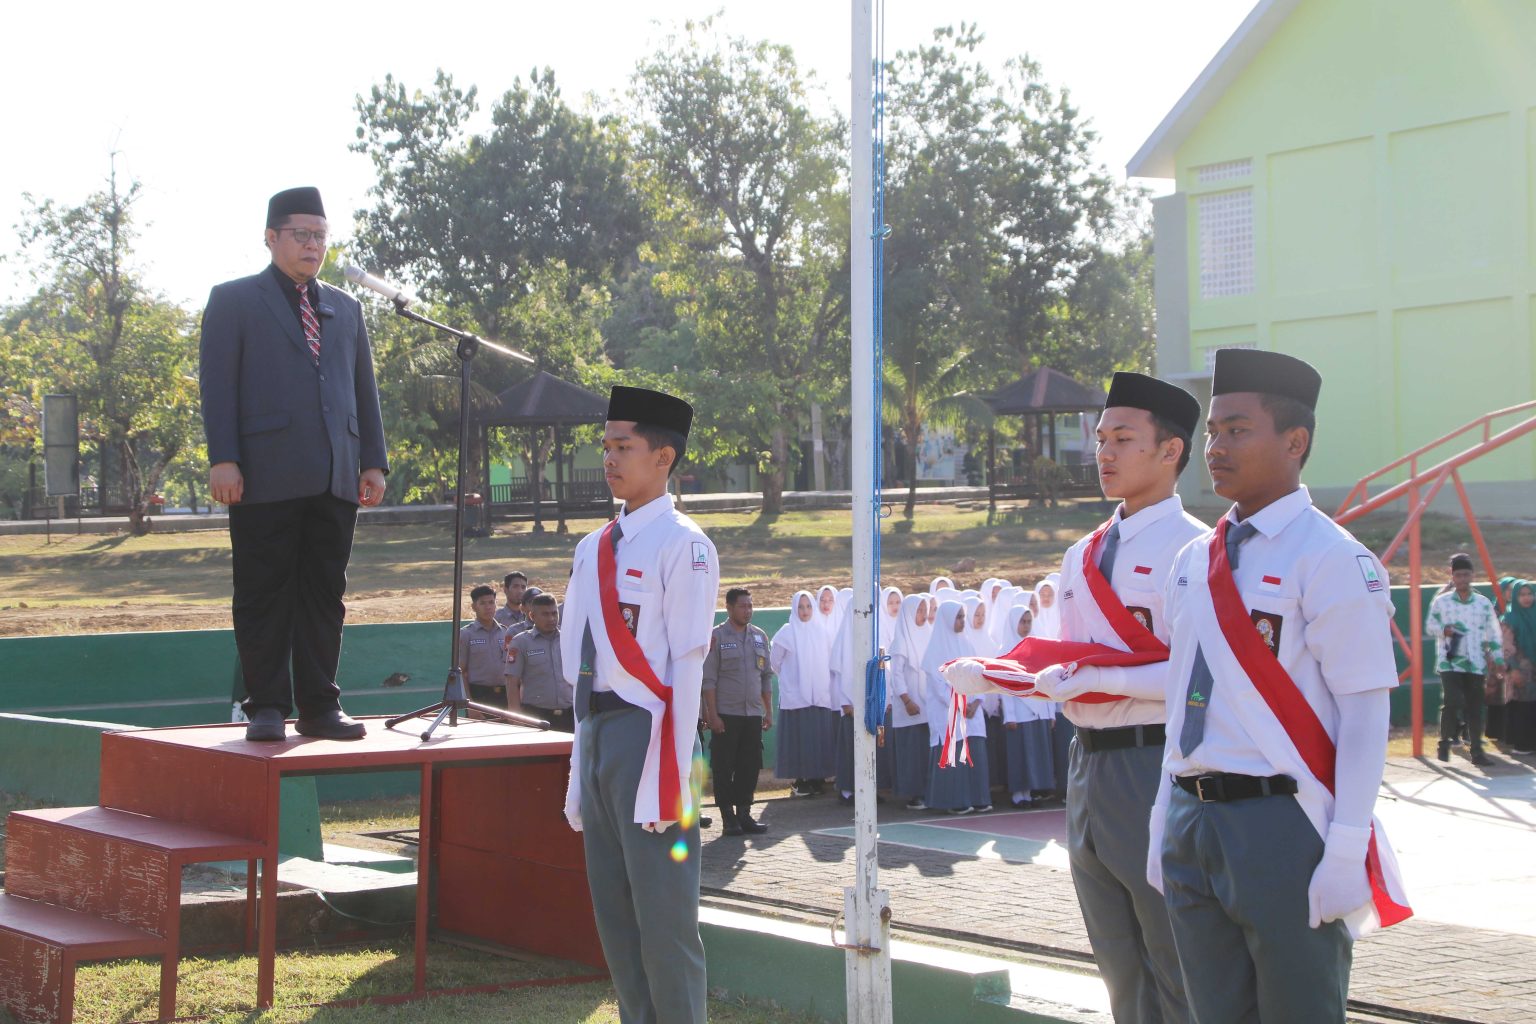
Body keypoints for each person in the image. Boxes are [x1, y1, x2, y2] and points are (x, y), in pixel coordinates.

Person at [1153, 348, 1410, 1024]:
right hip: (1191, 817)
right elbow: (1184, 698)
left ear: (1294, 442)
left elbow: (1363, 712)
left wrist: (1348, 845)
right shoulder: (1190, 561)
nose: (1215, 447)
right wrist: (1162, 815)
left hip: (1282, 825)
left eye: (1237, 429)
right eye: (1212, 430)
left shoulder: (1332, 560)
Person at [200, 186, 386, 742]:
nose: (312, 245)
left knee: (324, 594)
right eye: (301, 235)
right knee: (263, 591)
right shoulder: (234, 300)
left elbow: (362, 389)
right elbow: (218, 387)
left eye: (321, 236)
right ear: (271, 237)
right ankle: (265, 707)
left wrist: (372, 460)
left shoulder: (346, 307)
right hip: (262, 475)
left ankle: (320, 706)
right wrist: (224, 459)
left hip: (334, 473)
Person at [560, 386, 718, 1024]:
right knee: (617, 920)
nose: (610, 459)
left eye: (624, 447)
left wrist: (670, 779)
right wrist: (579, 765)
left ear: (664, 456)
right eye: (607, 447)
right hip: (599, 734)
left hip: (657, 741)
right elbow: (580, 667)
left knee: (666, 921)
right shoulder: (594, 547)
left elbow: (686, 668)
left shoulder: (686, 545)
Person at [701, 587, 775, 835]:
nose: (748, 611)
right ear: (729, 608)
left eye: (750, 606)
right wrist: (712, 714)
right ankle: (728, 817)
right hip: (726, 715)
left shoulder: (759, 637)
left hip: (752, 714)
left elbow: (765, 677)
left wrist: (768, 711)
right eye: (743, 606)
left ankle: (744, 813)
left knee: (749, 766)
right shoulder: (717, 637)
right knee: (724, 767)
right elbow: (708, 680)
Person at [1426, 553, 1505, 767]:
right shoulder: (1442, 601)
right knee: (1453, 700)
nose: (1462, 579)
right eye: (1458, 575)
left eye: (1466, 575)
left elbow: (1493, 631)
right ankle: (1445, 741)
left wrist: (1497, 656)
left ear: (1472, 576)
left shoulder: (1482, 603)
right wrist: (1446, 631)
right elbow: (1431, 627)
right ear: (1452, 576)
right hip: (1450, 660)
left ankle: (1477, 751)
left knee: (1475, 706)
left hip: (1476, 661)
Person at [771, 591, 836, 798]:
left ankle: (817, 778)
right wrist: (793, 679)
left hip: (819, 695)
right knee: (799, 739)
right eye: (801, 607)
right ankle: (801, 781)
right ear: (794, 608)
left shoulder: (821, 631)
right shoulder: (786, 632)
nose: (805, 611)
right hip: (796, 697)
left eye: (808, 606)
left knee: (818, 737)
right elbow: (775, 663)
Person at [888, 594, 933, 810]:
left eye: (925, 610)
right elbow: (896, 675)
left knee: (926, 751)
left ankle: (928, 790)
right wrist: (906, 700)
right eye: (919, 611)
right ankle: (914, 794)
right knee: (912, 752)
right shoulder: (900, 640)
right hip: (910, 707)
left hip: (928, 703)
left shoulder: (929, 634)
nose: (923, 615)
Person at [506, 591, 570, 731]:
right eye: (545, 614)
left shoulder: (569, 639)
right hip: (536, 715)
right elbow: (512, 682)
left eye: (554, 613)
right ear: (532, 616)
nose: (551, 618)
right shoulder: (520, 642)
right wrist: (515, 715)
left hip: (569, 715)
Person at [457, 584, 512, 708]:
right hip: (478, 695)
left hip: (504, 695)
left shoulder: (505, 632)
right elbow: (461, 672)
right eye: (482, 603)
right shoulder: (466, 634)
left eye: (491, 602)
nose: (488, 607)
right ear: (474, 607)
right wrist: (469, 703)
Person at [1502, 579, 1536, 754]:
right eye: (1522, 595)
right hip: (1521, 669)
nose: (1527, 598)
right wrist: (1514, 668)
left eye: (1530, 593)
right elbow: (1506, 646)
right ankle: (1523, 744)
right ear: (1515, 597)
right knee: (1523, 705)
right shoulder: (1510, 617)